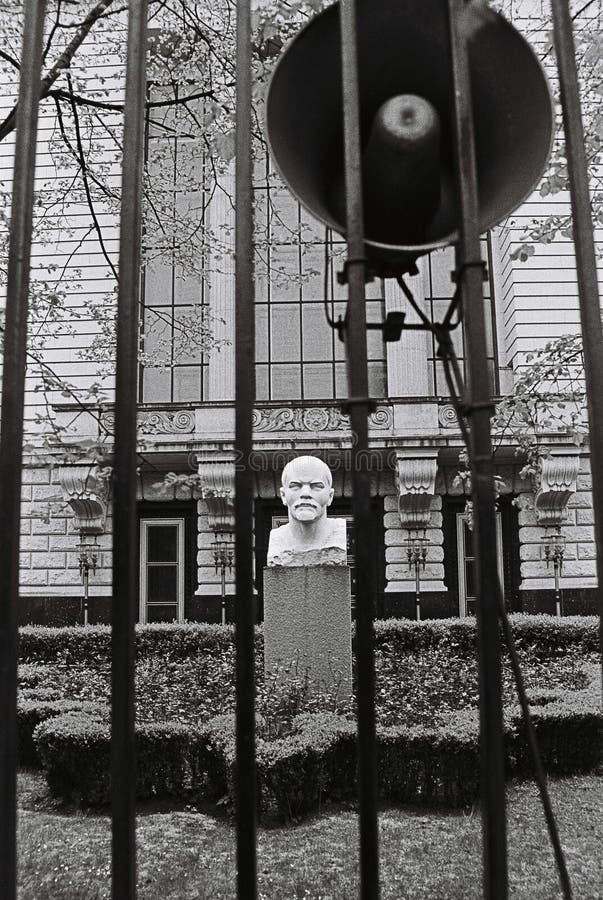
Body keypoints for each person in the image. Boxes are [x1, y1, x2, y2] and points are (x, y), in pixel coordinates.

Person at [267, 455, 347, 567]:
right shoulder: (277, 539)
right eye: (295, 486)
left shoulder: (338, 533)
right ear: (283, 495)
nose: (305, 493)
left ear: (330, 496)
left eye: (316, 486)